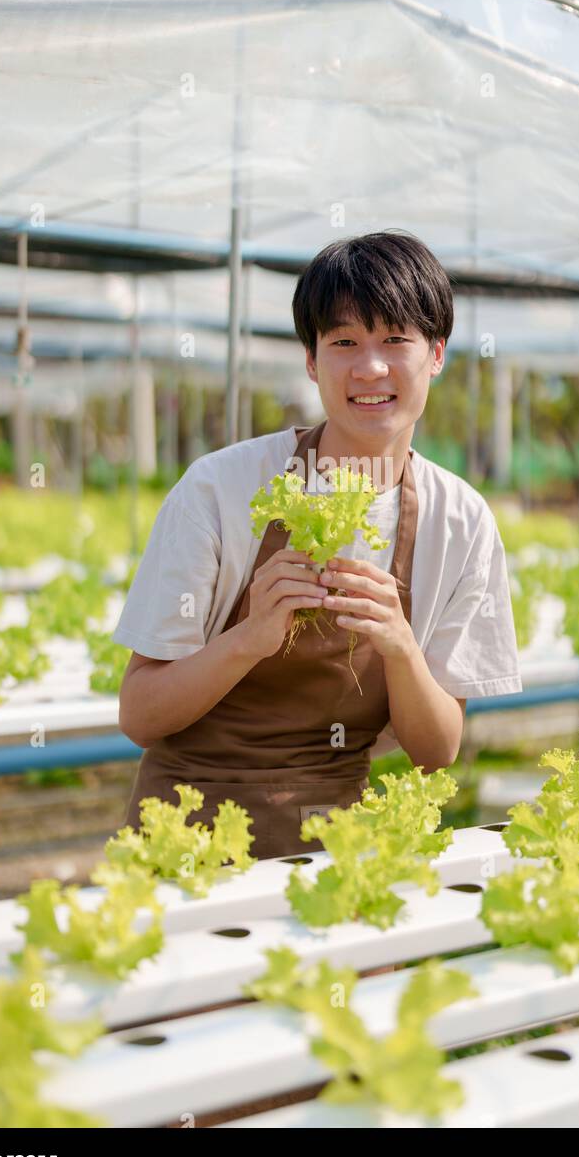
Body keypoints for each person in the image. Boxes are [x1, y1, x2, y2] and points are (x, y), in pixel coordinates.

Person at [113, 229, 521, 859]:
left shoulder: (460, 521)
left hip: (331, 847)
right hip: (185, 838)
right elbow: (140, 713)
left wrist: (401, 648)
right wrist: (248, 637)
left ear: (436, 354)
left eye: (395, 340)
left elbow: (436, 750)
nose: (370, 367)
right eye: (344, 342)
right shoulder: (221, 488)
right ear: (311, 360)